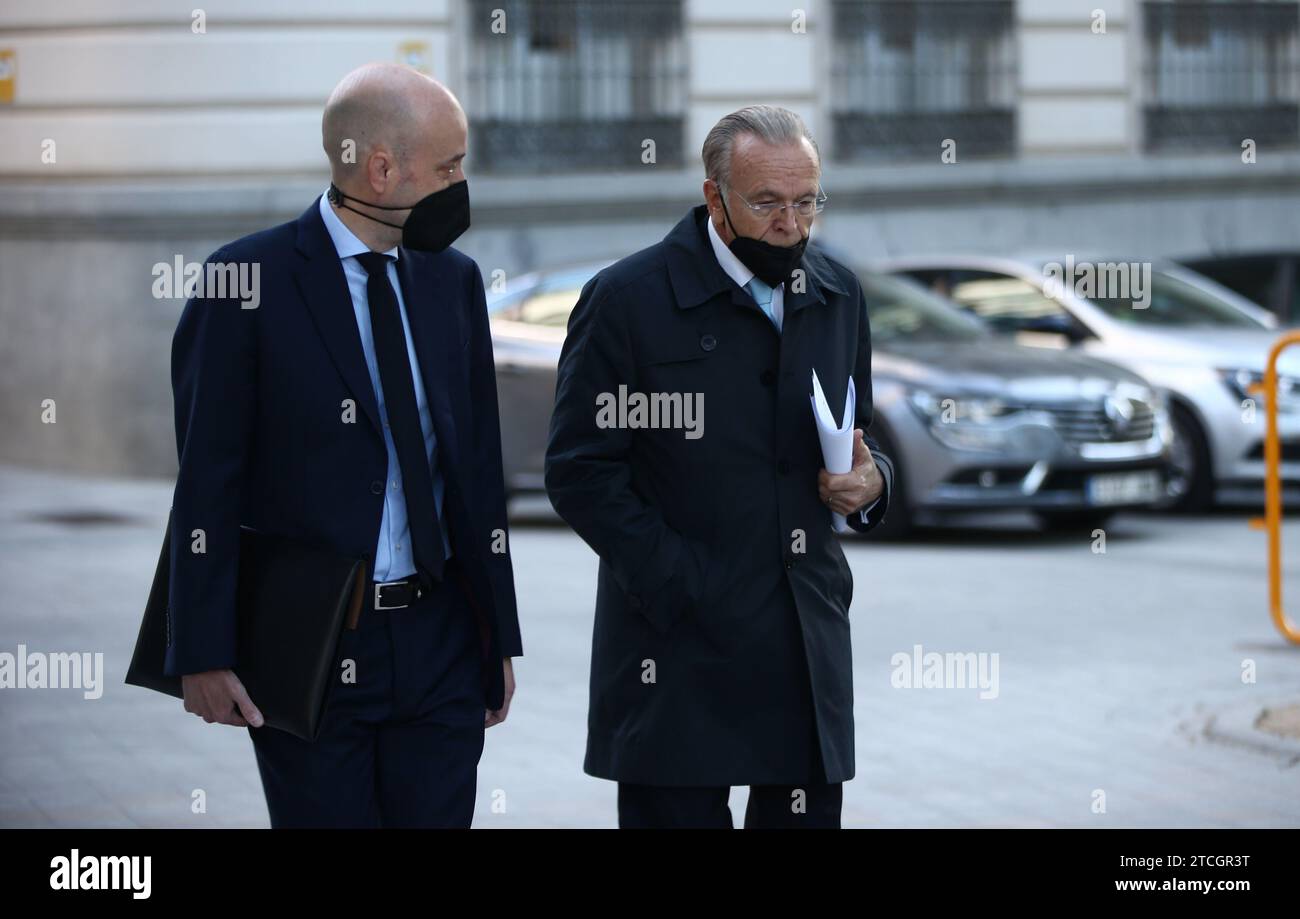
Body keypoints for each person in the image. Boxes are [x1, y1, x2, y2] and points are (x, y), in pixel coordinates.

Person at [167, 62, 521, 827]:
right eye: (450, 167)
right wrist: (200, 648)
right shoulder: (246, 280)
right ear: (382, 168)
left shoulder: (452, 280)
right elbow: (207, 478)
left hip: (441, 640)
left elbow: (477, 466)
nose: (462, 184)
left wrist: (498, 634)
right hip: (314, 643)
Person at [545, 104, 895, 829]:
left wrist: (873, 483)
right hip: (674, 652)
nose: (790, 224)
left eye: (806, 202)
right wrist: (681, 580)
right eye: (767, 202)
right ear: (715, 197)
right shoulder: (626, 301)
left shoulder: (837, 293)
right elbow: (580, 470)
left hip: (803, 642)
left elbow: (857, 439)